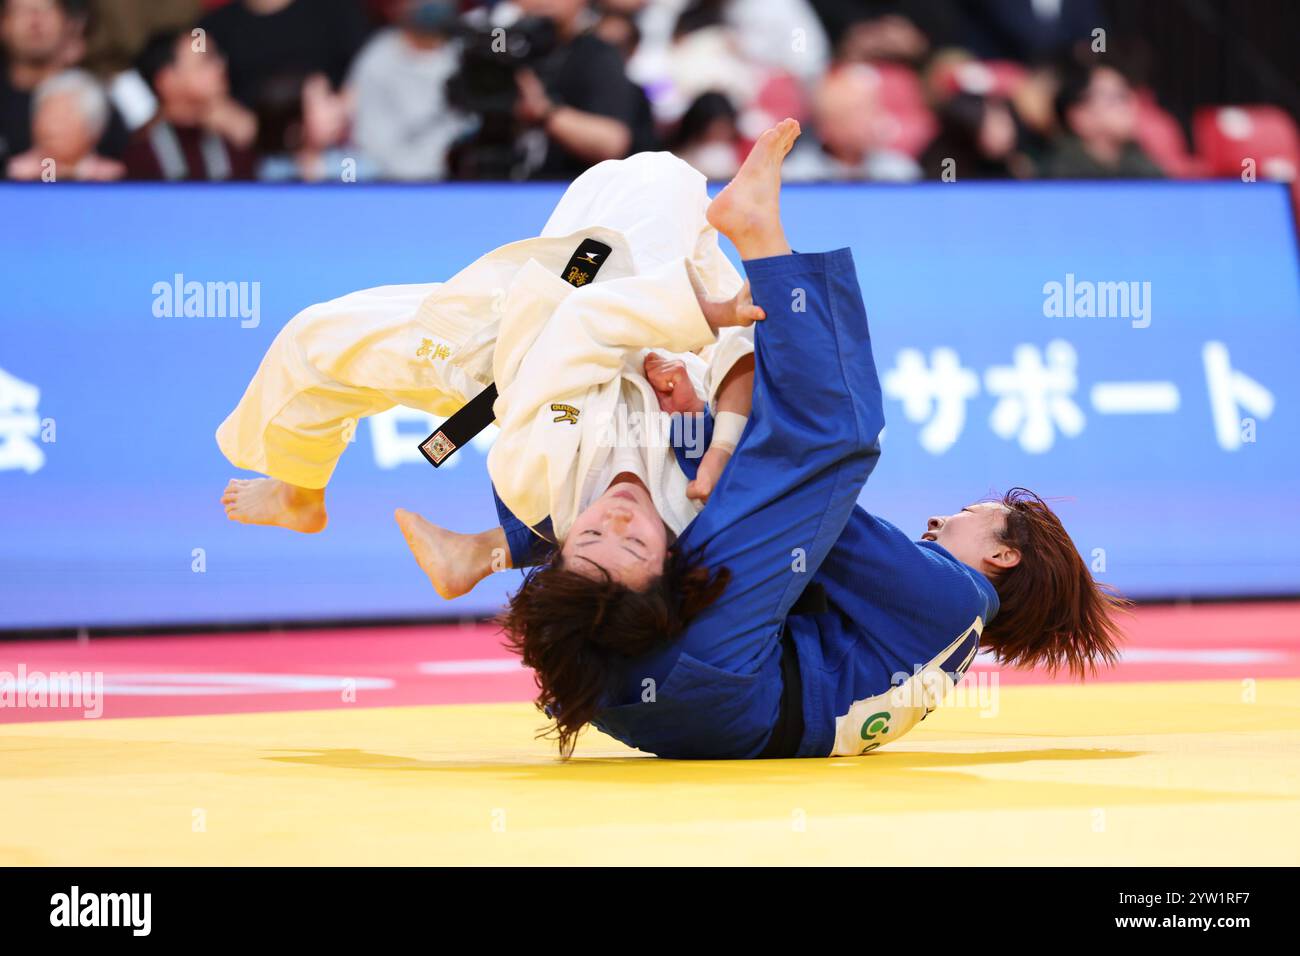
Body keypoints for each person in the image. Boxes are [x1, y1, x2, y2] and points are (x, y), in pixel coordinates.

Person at [496, 119, 1126, 759]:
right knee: (657, 486)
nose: (939, 516)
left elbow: (807, 507)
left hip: (717, 684)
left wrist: (703, 436)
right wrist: (695, 427)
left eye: (971, 515)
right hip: (623, 691)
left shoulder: (954, 598)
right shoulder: (937, 644)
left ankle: (761, 235)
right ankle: (511, 544)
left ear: (1004, 557)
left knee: (833, 442)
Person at [218, 147, 761, 576]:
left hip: (516, 348)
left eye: (593, 536)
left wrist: (704, 315)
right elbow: (748, 368)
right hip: (628, 303)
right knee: (662, 185)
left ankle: (298, 492)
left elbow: (577, 335)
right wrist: (701, 418)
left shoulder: (539, 476)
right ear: (666, 555)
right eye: (633, 540)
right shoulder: (698, 504)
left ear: (569, 543)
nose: (616, 520)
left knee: (317, 338)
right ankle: (469, 557)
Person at [122, 30, 255, 182]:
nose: (221, 65)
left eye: (218, 57)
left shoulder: (236, 137)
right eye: (206, 60)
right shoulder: (140, 155)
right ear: (168, 81)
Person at [1040, 58, 1164, 179]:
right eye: (1116, 98)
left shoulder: (1140, 162)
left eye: (1128, 96)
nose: (1130, 106)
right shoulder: (1059, 174)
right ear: (1080, 115)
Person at [5, 67, 123, 179]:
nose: (51, 128)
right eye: (47, 117)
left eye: (62, 119)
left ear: (94, 127)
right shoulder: (14, 175)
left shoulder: (113, 178)